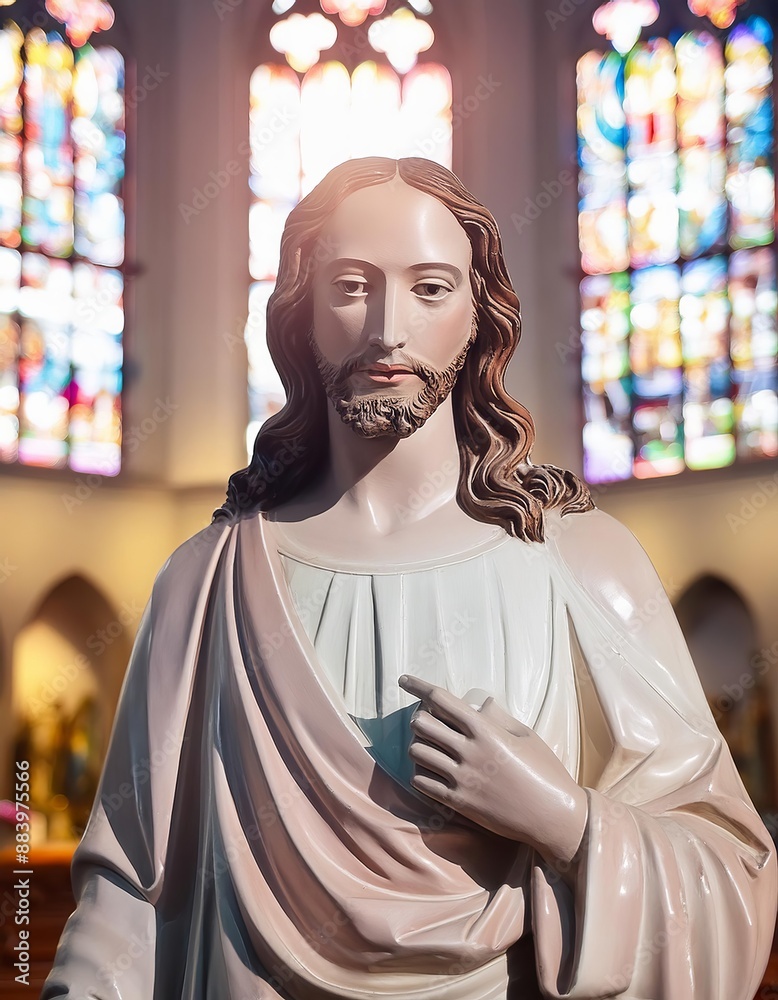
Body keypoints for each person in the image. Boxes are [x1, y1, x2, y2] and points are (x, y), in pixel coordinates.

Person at [42, 157, 777, 1000]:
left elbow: (730, 874)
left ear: (479, 313)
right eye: (351, 287)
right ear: (300, 312)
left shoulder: (582, 561)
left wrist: (566, 820)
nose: (387, 329)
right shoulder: (204, 584)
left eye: (430, 288)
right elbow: (128, 895)